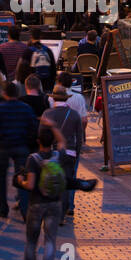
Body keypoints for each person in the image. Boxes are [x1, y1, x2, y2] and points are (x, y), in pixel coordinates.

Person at [21, 126, 66, 260]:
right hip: (54, 204)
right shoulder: (57, 156)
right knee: (50, 242)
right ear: (52, 141)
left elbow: (30, 185)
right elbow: (62, 141)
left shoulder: (33, 159)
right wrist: (54, 127)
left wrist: (21, 181)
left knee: (31, 241)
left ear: (38, 141)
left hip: (36, 204)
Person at [0, 83, 37, 219]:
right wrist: (26, 141)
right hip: (21, 147)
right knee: (22, 178)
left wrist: (0, 142)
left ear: (4, 93)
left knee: (2, 179)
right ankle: (24, 210)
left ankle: (3, 209)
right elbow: (32, 127)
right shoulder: (26, 108)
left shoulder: (0, 108)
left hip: (4, 147)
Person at [41, 85, 84, 220]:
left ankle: (52, 211)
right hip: (69, 153)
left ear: (53, 99)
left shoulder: (47, 114)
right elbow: (79, 138)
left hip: (51, 153)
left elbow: (40, 134)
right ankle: (63, 214)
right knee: (65, 183)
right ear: (66, 98)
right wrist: (76, 153)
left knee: (50, 181)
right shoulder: (74, 114)